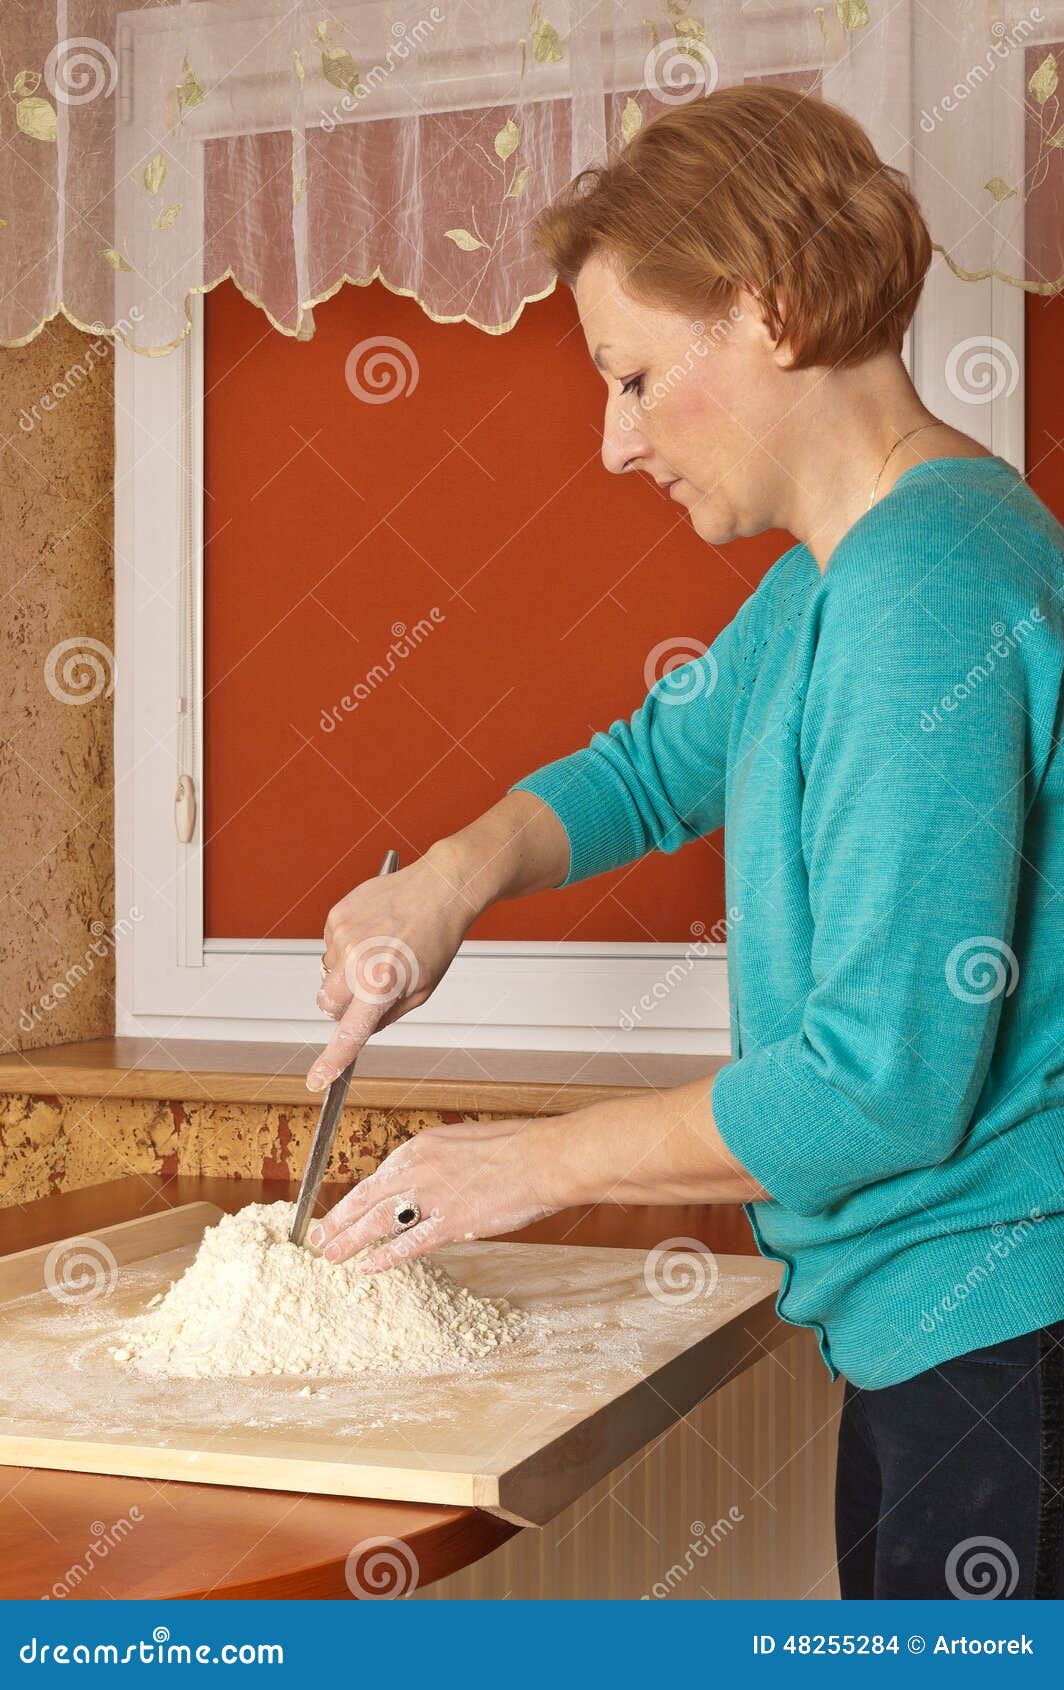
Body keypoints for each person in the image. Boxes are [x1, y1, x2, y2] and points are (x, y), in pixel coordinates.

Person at [306, 86, 1064, 1599]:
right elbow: (649, 770)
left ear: (771, 312)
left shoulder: (921, 590)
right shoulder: (844, 573)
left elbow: (881, 1084)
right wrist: (447, 878)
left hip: (1005, 1350)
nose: (613, 440)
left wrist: (515, 1168)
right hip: (952, 1335)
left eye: (635, 377)